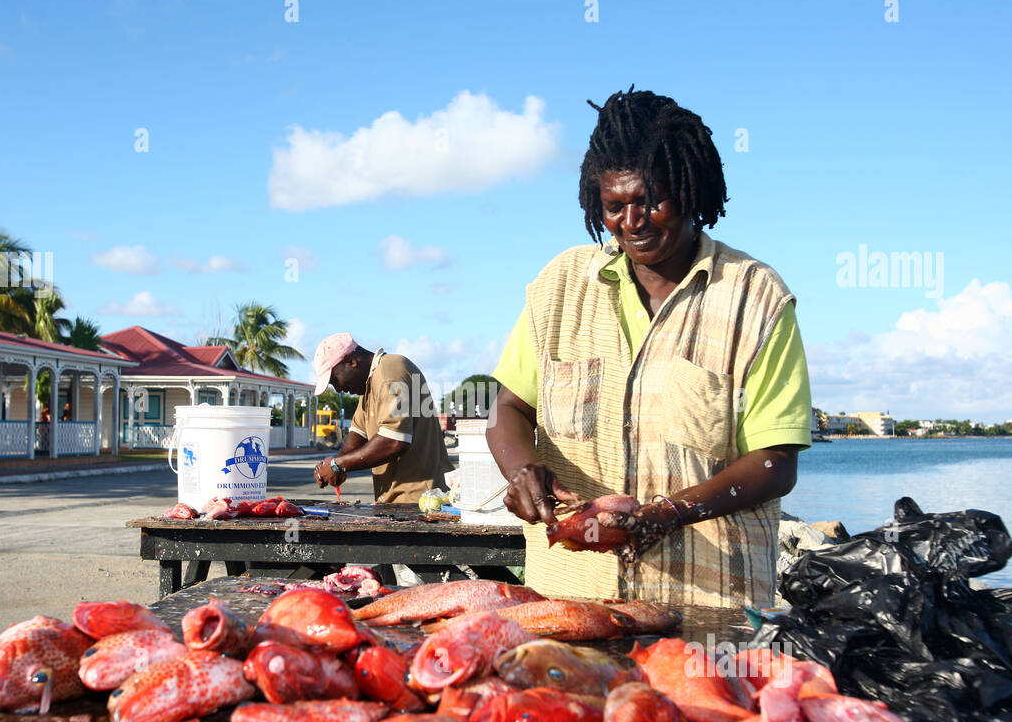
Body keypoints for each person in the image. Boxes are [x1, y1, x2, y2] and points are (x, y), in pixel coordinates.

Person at [487, 88, 813, 611]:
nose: (632, 222)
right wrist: (522, 470)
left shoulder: (757, 297)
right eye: (614, 206)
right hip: (569, 600)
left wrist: (665, 514)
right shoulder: (558, 287)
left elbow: (776, 462)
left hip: (708, 609)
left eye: (650, 201)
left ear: (691, 192)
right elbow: (508, 409)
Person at [310, 332, 452, 504]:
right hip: (397, 501)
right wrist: (336, 467)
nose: (338, 389)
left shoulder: (390, 370)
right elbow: (358, 432)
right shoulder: (369, 386)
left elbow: (393, 441)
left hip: (420, 499)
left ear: (351, 361)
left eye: (335, 380)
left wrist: (337, 465)